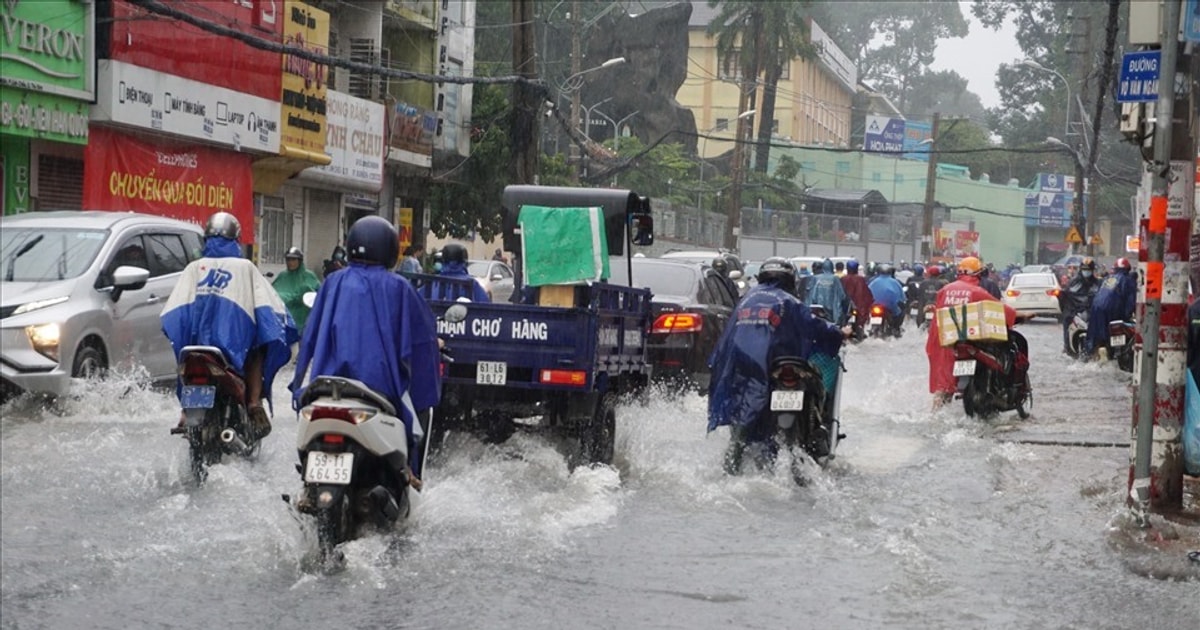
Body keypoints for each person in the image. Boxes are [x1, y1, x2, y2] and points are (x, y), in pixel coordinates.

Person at [290, 216, 442, 486]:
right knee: (417, 412)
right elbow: (422, 344)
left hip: (327, 386)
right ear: (390, 249)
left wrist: (298, 382)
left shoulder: (332, 282)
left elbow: (309, 335)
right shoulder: (399, 287)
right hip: (379, 389)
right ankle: (411, 472)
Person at [161, 212, 298, 439]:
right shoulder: (245, 267)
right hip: (232, 347)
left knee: (186, 358)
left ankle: (186, 411)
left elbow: (174, 314)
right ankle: (254, 403)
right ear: (236, 239)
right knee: (258, 348)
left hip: (198, 347)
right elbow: (266, 309)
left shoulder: (194, 267)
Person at [707, 257, 849, 473]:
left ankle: (732, 464)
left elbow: (725, 341)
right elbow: (815, 325)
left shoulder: (746, 300)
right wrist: (839, 333)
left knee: (740, 422)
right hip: (775, 367)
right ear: (790, 279)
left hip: (745, 370)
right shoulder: (789, 301)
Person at [926, 256, 1025, 408]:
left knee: (943, 384)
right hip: (972, 340)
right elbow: (1002, 309)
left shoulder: (944, 290)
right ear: (978, 274)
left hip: (947, 342)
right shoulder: (976, 291)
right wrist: (1024, 315)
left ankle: (936, 410)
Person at [1085, 257, 1137, 357]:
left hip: (1096, 308)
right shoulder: (1128, 281)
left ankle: (1092, 352)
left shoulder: (1107, 279)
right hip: (1112, 309)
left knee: (1095, 334)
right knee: (1112, 332)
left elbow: (1098, 293)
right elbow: (1131, 302)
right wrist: (1128, 316)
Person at [272, 247, 321, 334]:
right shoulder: (282, 276)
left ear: (300, 261)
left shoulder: (309, 276)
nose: (290, 262)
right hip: (284, 321)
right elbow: (272, 294)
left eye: (293, 259)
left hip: (304, 322)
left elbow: (320, 295)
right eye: (288, 259)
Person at [1059, 256, 1101, 356]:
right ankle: (1067, 347)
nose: (1086, 272)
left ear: (1092, 270)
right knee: (1067, 322)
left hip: (1092, 313)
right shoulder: (1074, 282)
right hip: (1075, 313)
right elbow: (1065, 298)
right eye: (1084, 269)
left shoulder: (1098, 283)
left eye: (1088, 270)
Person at [805, 258, 850, 325]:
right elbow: (842, 296)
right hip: (831, 313)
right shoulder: (835, 279)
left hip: (817, 311)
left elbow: (809, 296)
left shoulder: (815, 278)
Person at [868, 263, 906, 330]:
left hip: (874, 305)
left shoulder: (873, 282)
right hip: (890, 306)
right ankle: (895, 328)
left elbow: (867, 293)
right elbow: (902, 297)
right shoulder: (895, 282)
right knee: (899, 313)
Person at [840, 259, 873, 332]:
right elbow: (867, 295)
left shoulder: (843, 279)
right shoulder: (861, 279)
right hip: (858, 308)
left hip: (847, 307)